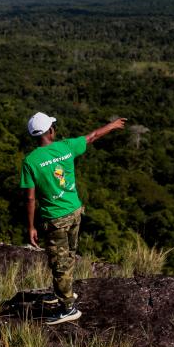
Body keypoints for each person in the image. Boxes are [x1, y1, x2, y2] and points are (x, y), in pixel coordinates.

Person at [20, 111, 127, 325]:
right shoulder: (65, 147)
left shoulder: (30, 162)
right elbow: (92, 136)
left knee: (59, 262)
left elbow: (30, 198)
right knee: (67, 256)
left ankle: (68, 307)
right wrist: (112, 125)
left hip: (55, 218)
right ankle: (64, 293)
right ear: (50, 130)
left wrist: (31, 226)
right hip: (75, 211)